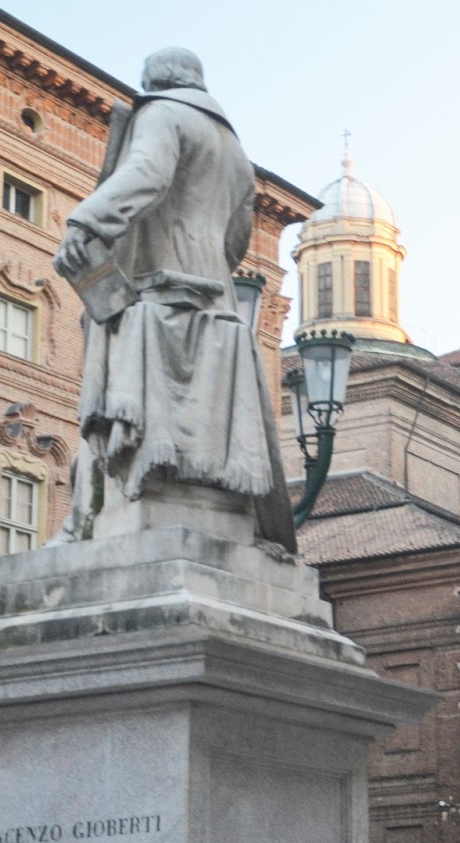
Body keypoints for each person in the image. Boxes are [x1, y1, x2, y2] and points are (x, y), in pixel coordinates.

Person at [51, 48, 295, 552]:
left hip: (156, 294)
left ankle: (91, 519)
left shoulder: (161, 113)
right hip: (217, 301)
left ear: (154, 80)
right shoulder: (236, 154)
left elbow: (147, 174)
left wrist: (87, 219)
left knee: (123, 395)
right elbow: (237, 241)